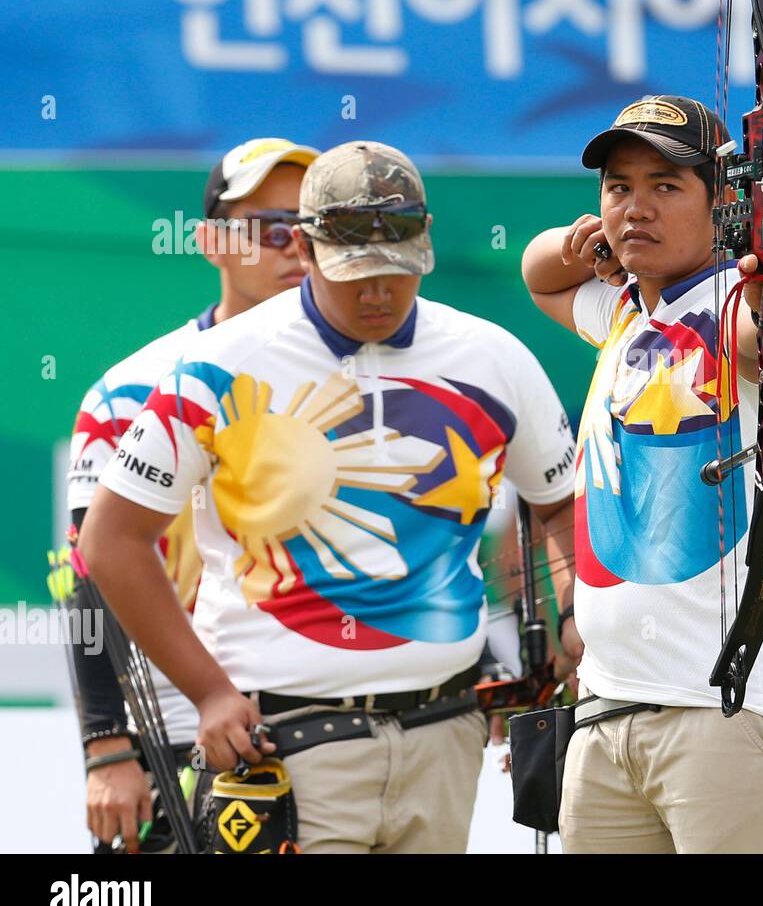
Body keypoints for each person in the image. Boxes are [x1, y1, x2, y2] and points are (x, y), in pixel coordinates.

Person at [79, 140, 577, 853]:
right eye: (354, 273)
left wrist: (576, 612)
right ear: (306, 249)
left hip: (446, 738)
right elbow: (108, 541)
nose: (376, 293)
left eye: (396, 271)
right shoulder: (214, 365)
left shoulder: (494, 357)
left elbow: (556, 500)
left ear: (426, 243)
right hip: (279, 748)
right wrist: (209, 693)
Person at [521, 94, 763, 854]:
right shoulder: (625, 312)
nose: (636, 208)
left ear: (726, 203)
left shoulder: (735, 308)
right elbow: (539, 274)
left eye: (666, 186)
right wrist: (579, 244)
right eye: (619, 188)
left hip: (731, 719)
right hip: (608, 710)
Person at [67, 137, 318, 852]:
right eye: (271, 228)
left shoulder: (359, 379)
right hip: (174, 736)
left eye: (313, 227)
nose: (295, 247)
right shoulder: (129, 388)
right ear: (209, 241)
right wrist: (107, 747)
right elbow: (84, 578)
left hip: (314, 727)